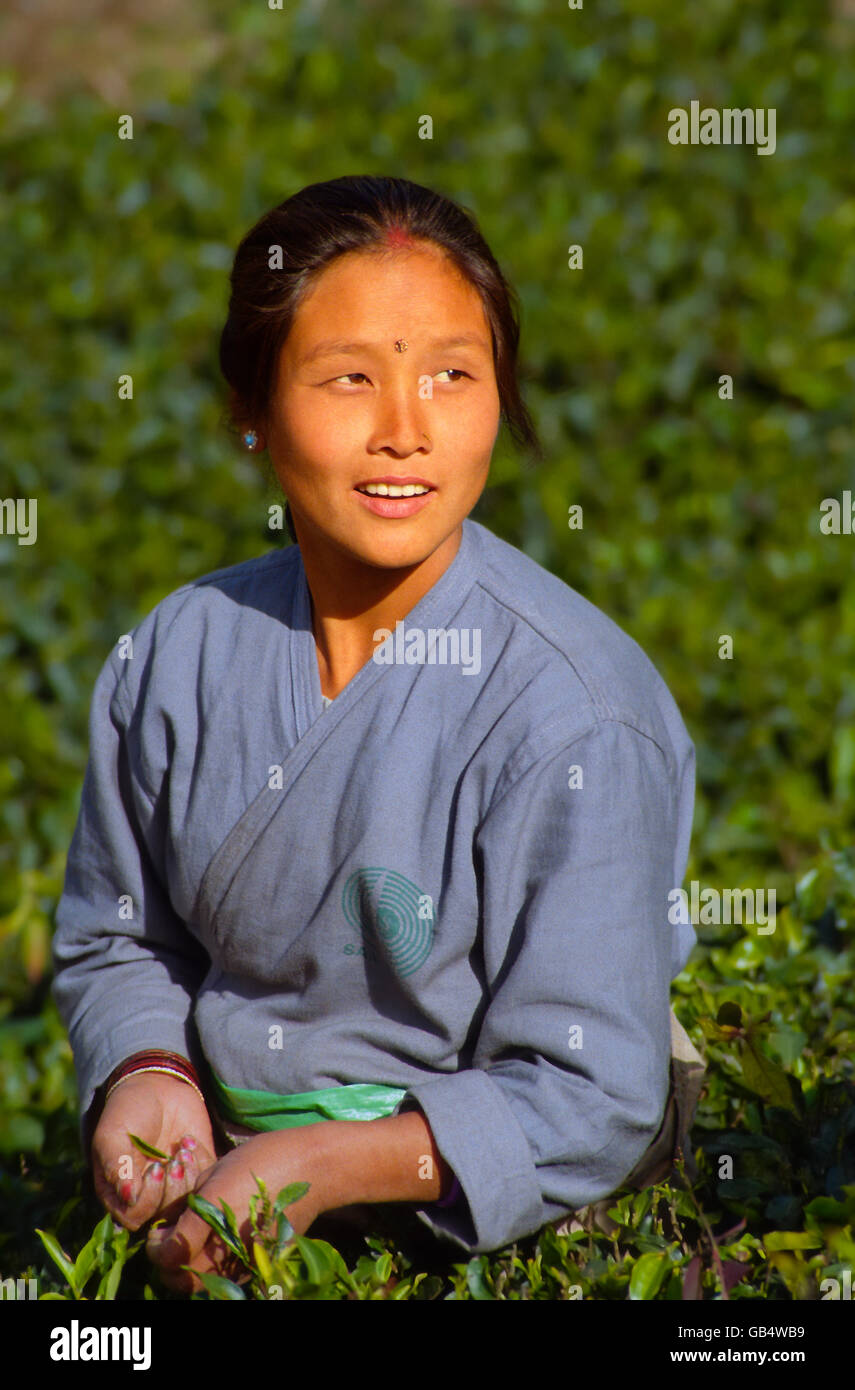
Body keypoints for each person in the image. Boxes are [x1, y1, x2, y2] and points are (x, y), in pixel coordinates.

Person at [52, 174, 705, 1294]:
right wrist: (148, 1069)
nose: (406, 431)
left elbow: (591, 1093)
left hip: (488, 1214)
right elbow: (118, 938)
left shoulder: (576, 712)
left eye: (454, 375)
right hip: (223, 1188)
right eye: (351, 377)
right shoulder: (176, 654)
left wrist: (321, 1166)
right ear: (251, 410)